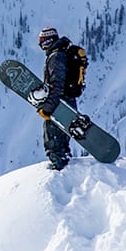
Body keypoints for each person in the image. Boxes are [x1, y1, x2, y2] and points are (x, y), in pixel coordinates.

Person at [35, 26, 73, 170]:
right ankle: (64, 162)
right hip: (66, 102)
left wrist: (48, 108)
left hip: (59, 104)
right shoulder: (62, 54)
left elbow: (57, 85)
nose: (40, 45)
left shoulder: (56, 57)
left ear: (48, 40)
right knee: (62, 138)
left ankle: (58, 166)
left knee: (53, 137)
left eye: (42, 41)